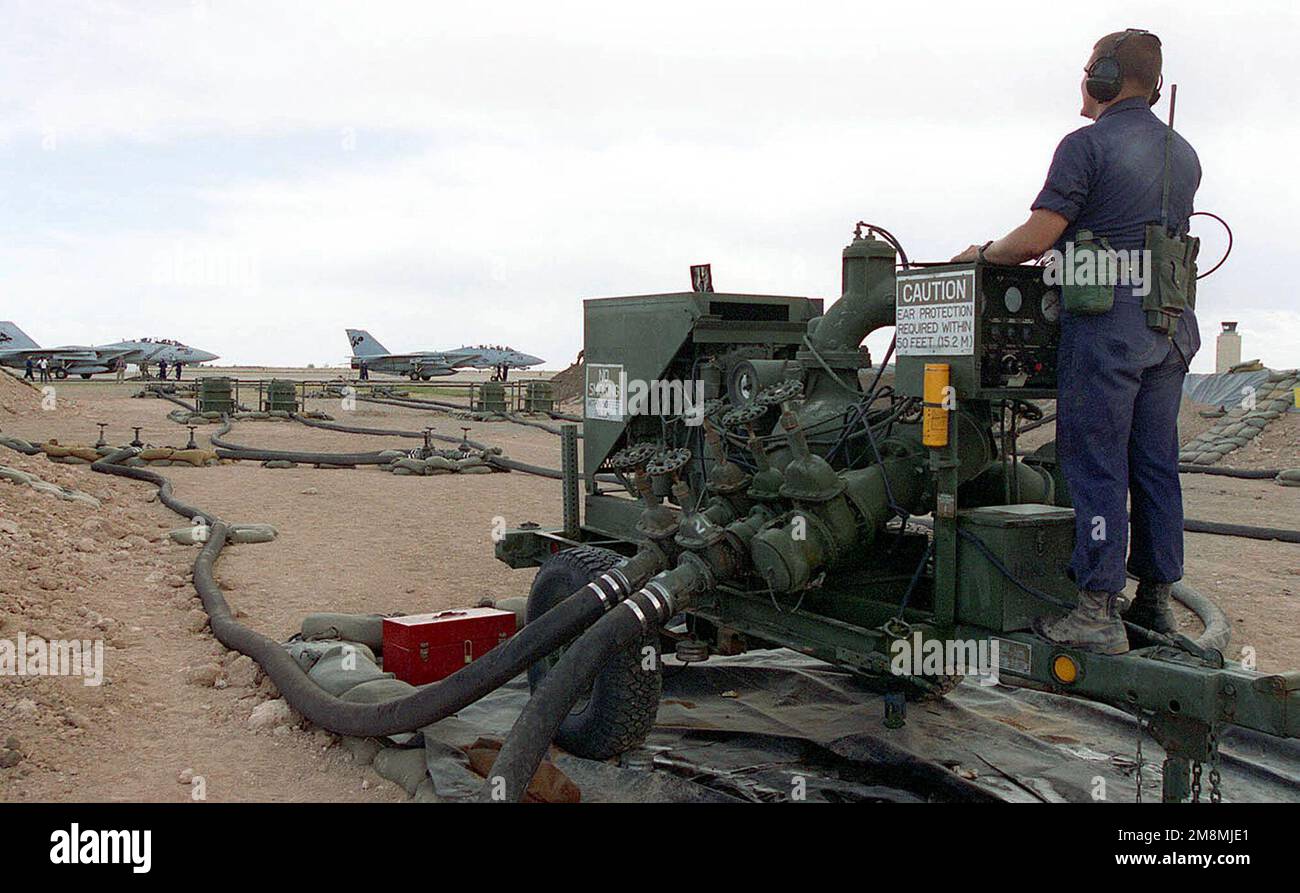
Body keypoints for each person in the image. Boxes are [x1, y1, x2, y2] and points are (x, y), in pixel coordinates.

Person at [951, 29, 1200, 654]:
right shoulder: (1185, 154)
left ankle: (1095, 611)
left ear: (1107, 76)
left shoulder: (1084, 147)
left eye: (1089, 69)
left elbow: (1037, 239)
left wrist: (982, 255)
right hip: (1168, 330)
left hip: (1106, 331)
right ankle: (1154, 602)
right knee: (1155, 465)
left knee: (1095, 465)